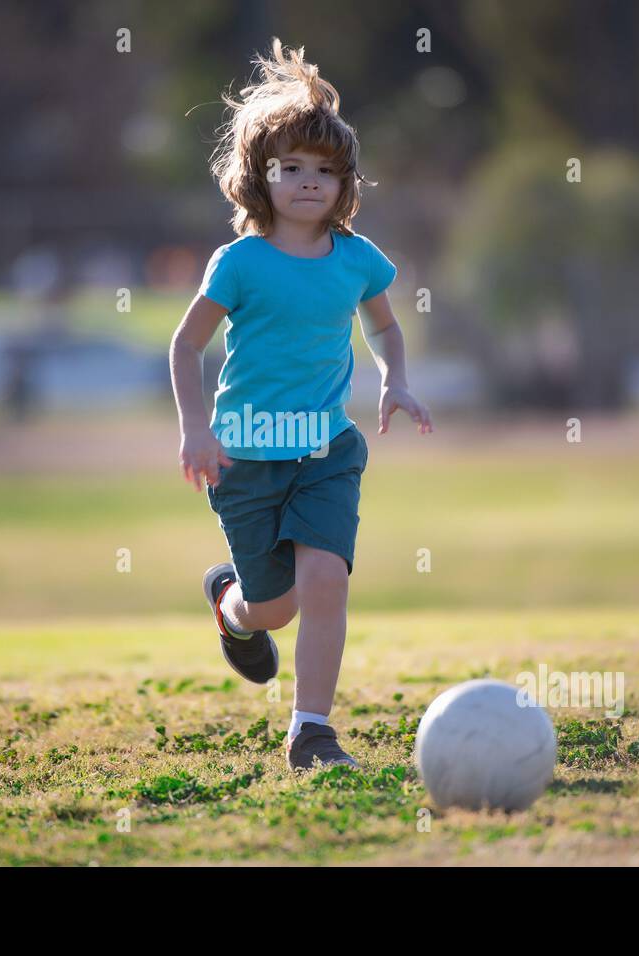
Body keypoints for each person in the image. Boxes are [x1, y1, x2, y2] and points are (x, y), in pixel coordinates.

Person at [168, 38, 432, 771]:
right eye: (291, 169)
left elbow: (382, 323)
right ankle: (229, 605)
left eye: (324, 172)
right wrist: (195, 430)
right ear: (261, 175)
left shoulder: (356, 258)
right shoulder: (240, 262)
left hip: (326, 454)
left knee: (325, 581)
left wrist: (395, 376)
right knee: (273, 607)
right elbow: (185, 347)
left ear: (345, 183)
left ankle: (310, 731)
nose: (308, 183)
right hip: (244, 457)